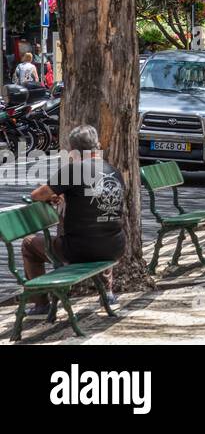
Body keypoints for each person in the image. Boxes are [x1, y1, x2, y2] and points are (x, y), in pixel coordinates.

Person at [22, 125, 123, 316]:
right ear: (97, 145)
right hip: (116, 246)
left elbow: (37, 195)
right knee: (102, 231)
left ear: (73, 150)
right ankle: (107, 293)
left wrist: (54, 196)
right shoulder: (113, 170)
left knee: (28, 244)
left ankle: (41, 303)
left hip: (79, 250)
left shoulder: (74, 170)